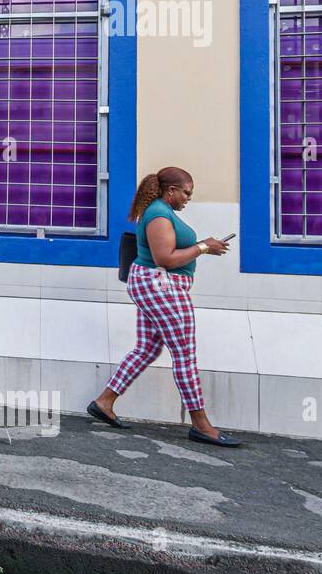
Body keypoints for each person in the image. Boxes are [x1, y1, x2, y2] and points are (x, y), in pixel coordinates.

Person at [87, 167, 240, 447]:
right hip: (162, 287)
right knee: (185, 356)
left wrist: (203, 246)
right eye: (186, 192)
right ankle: (202, 426)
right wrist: (204, 247)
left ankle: (104, 402)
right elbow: (165, 259)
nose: (188, 198)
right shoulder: (158, 214)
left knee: (147, 349)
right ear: (171, 191)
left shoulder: (161, 212)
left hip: (154, 286)